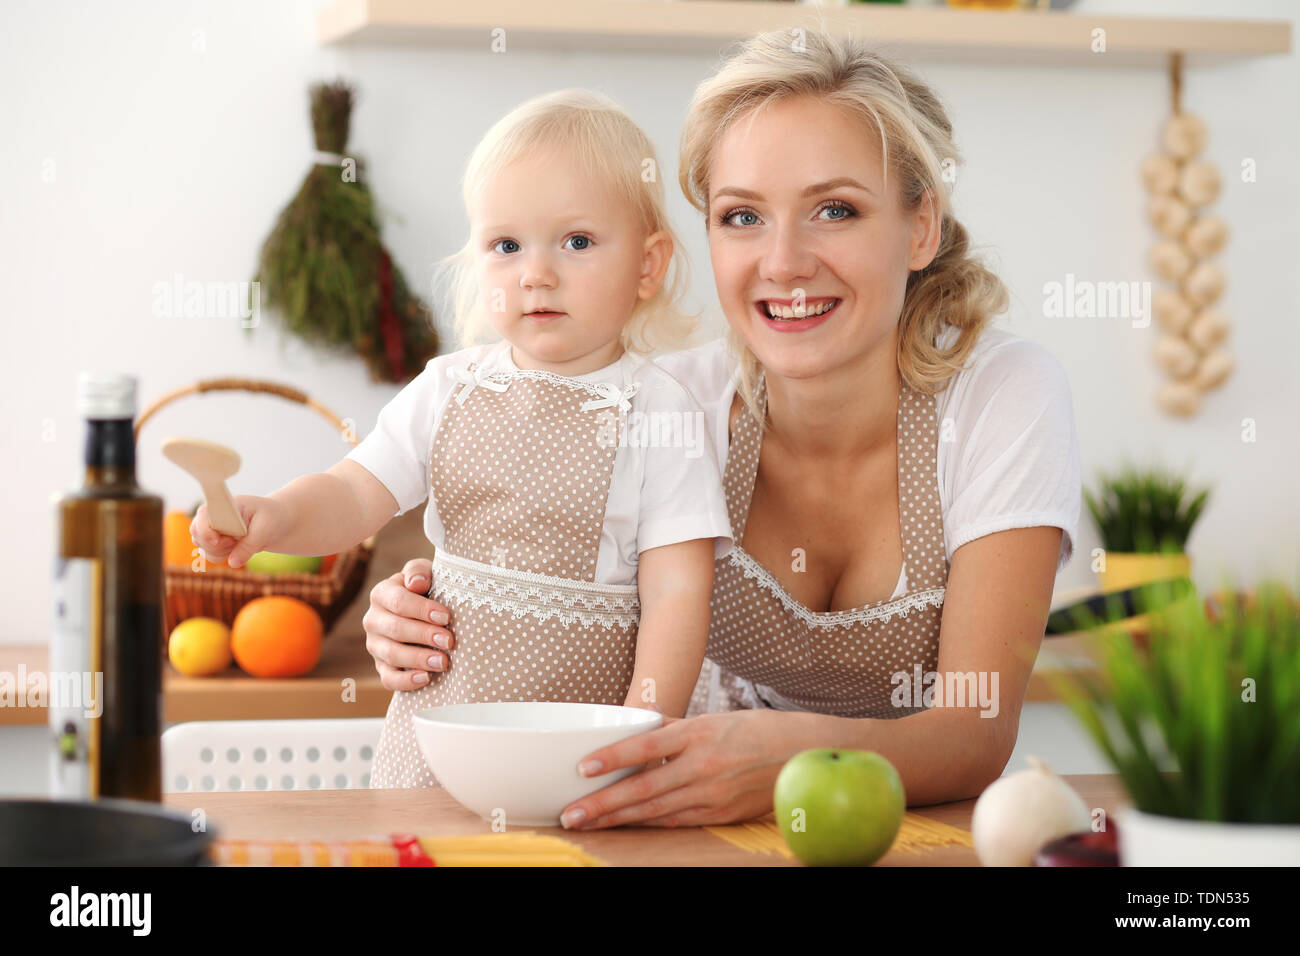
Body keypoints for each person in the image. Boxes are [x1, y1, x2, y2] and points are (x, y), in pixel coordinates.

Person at [361, 31, 1081, 824]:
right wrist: (430, 612)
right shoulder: (672, 405)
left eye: (834, 210)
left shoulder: (1000, 397)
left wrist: (783, 759)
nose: (783, 262)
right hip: (689, 830)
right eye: (742, 216)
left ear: (921, 227)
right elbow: (536, 568)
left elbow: (977, 735)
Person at [191, 89, 733, 789]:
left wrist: (641, 734)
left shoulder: (663, 411)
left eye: (577, 242)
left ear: (648, 265)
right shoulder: (448, 389)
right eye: (506, 245)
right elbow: (355, 492)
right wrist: (278, 517)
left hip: (588, 753)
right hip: (437, 738)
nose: (536, 273)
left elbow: (677, 597)